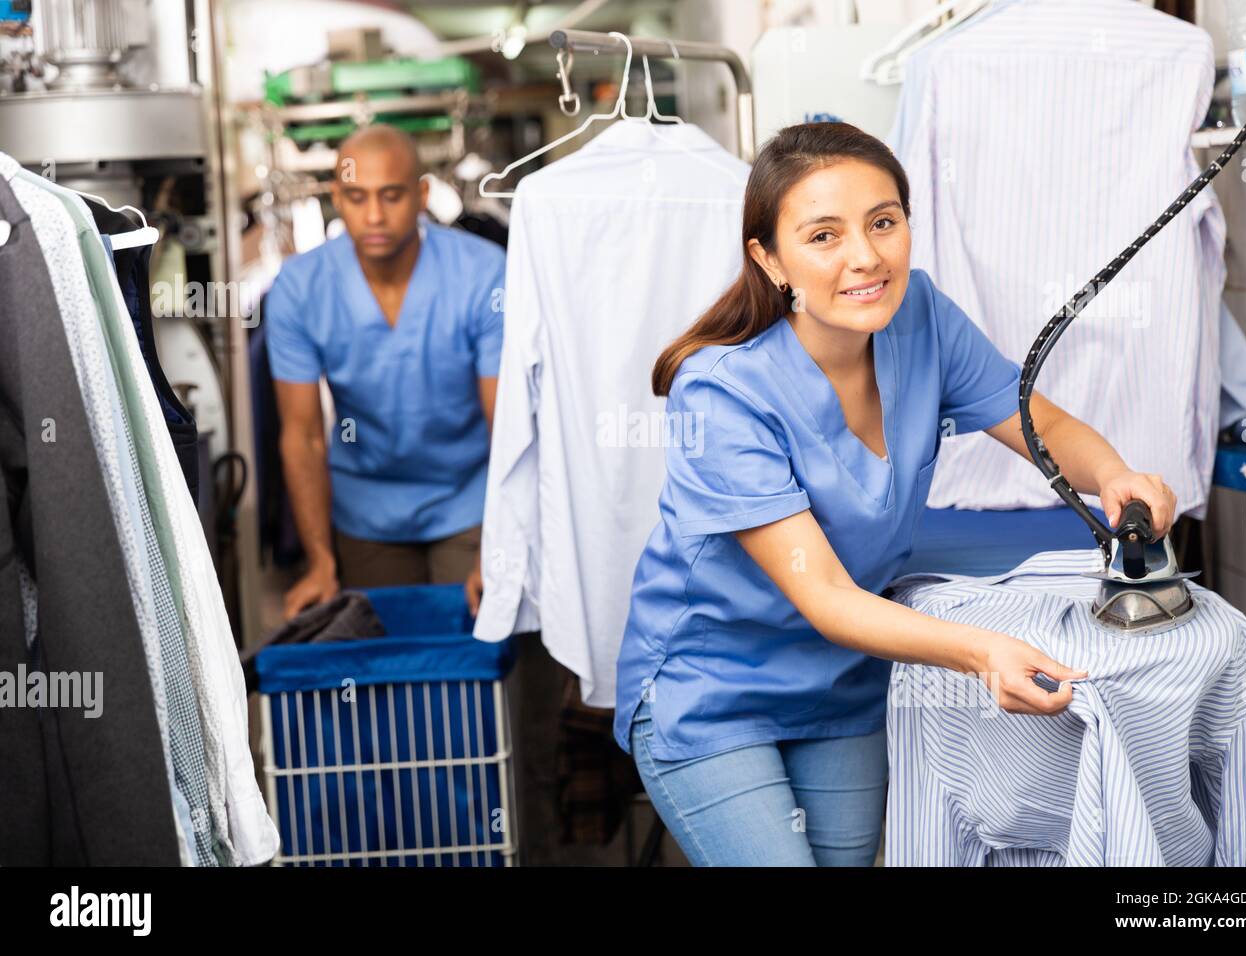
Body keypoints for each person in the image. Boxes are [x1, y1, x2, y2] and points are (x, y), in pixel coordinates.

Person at [613, 123, 1178, 867]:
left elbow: (1036, 419)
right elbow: (827, 600)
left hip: (843, 684)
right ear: (769, 258)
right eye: (824, 235)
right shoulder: (722, 392)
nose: (866, 256)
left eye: (884, 221)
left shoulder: (921, 317)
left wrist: (1112, 474)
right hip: (711, 693)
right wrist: (982, 654)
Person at [266, 124, 505, 618]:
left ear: (421, 196)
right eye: (356, 197)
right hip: (366, 512)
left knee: (477, 663)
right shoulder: (300, 287)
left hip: (471, 502)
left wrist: (505, 542)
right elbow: (303, 435)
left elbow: (505, 423)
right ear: (337, 196)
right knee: (388, 670)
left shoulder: (483, 273)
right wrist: (319, 560)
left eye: (391, 196)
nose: (373, 216)